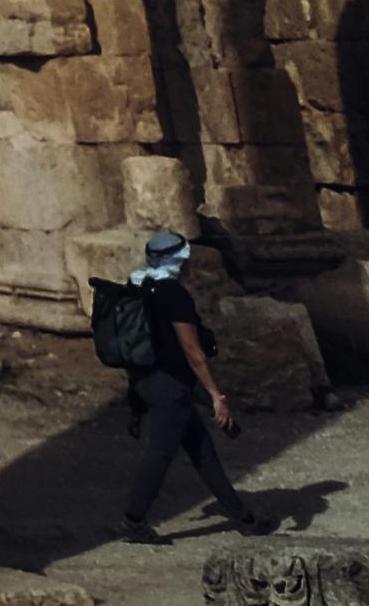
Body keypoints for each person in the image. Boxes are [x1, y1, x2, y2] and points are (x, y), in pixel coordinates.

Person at [111, 227, 281, 542]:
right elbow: (193, 352)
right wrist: (217, 396)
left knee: (203, 452)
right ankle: (132, 521)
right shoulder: (174, 294)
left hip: (149, 381)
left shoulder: (139, 284)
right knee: (160, 454)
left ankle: (244, 518)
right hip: (170, 389)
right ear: (179, 261)